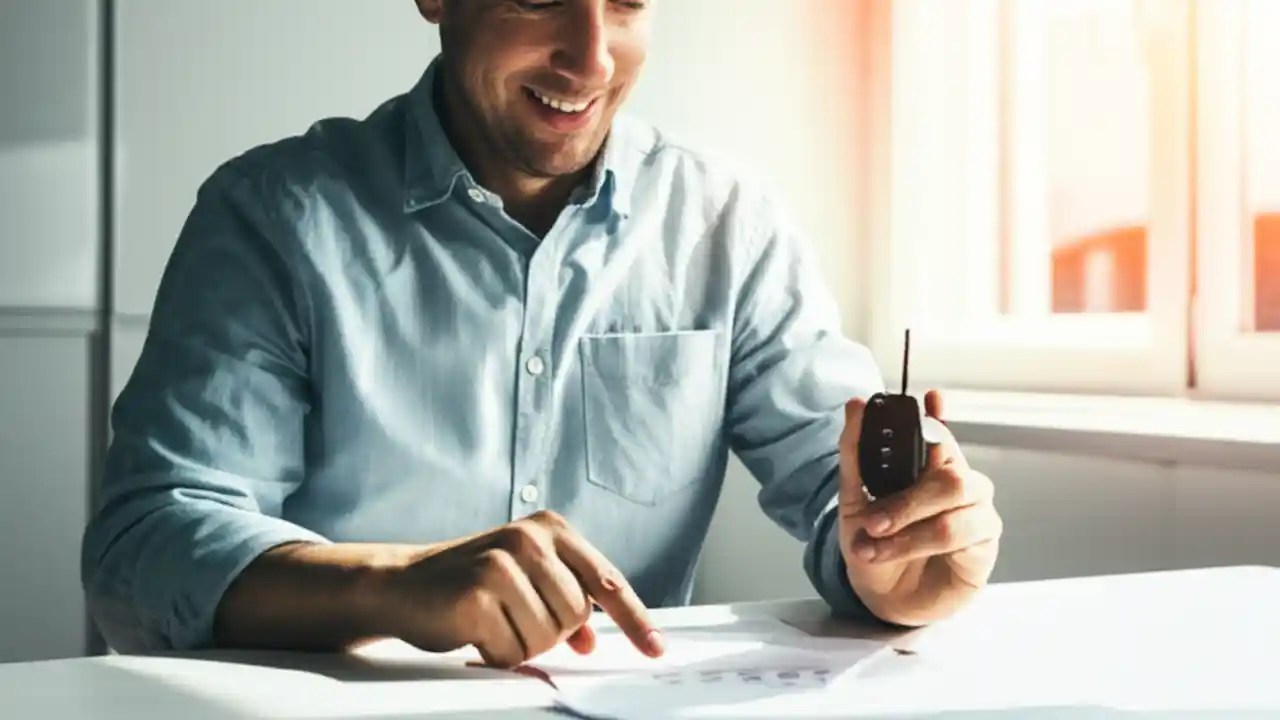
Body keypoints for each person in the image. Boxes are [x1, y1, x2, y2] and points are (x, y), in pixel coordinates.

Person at [81, 0, 1003, 669]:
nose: (591, 58)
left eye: (628, 2)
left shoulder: (730, 227)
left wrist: (906, 563)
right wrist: (395, 588)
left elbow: (846, 499)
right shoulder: (273, 217)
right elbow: (143, 552)